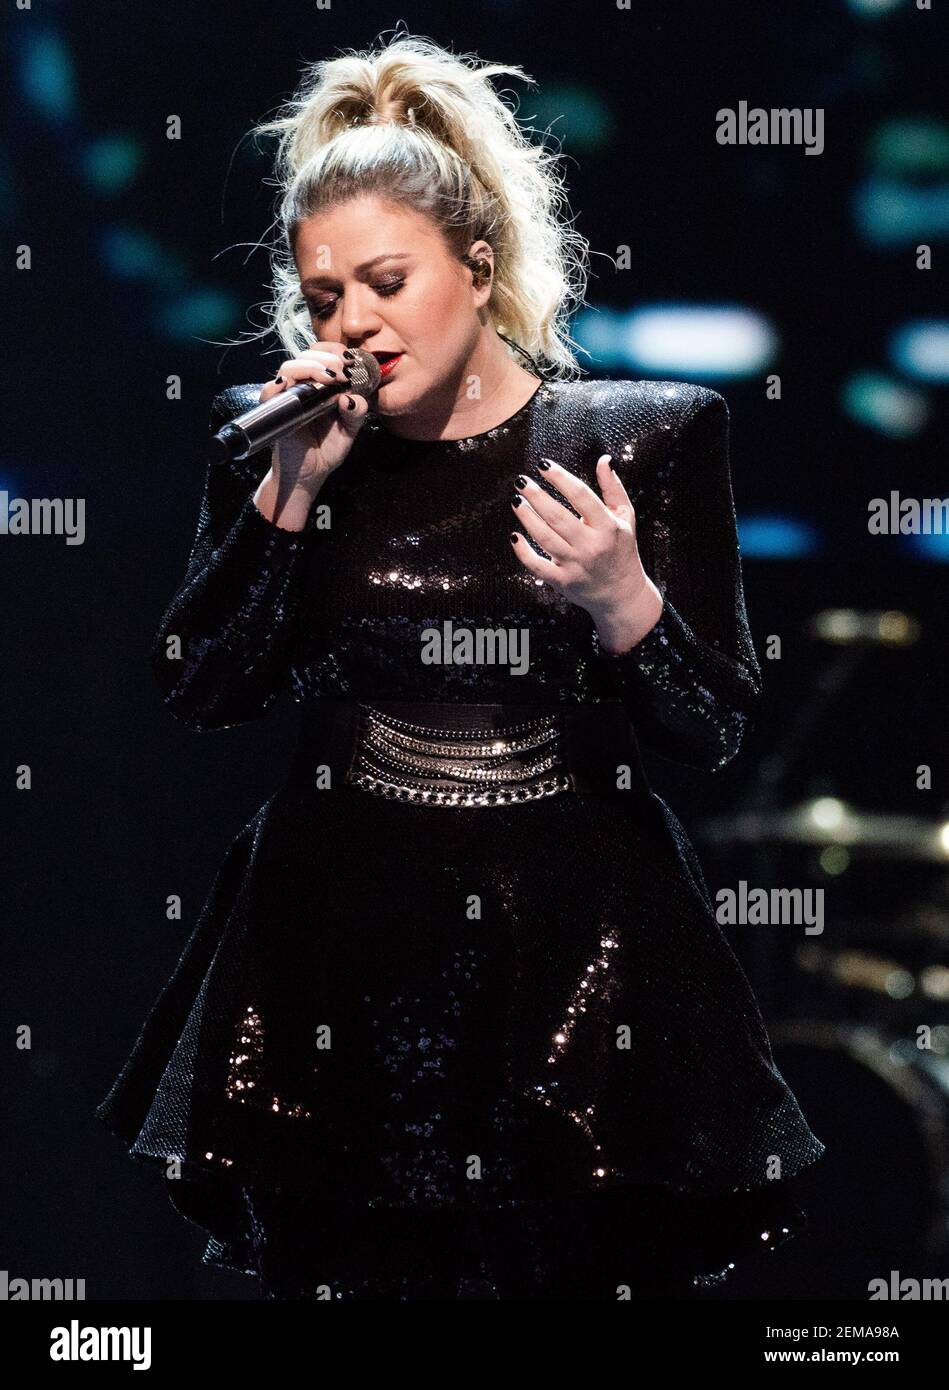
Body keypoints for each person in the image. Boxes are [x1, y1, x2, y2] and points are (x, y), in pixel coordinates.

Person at [96, 33, 825, 1301]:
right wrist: (286, 500)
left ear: (476, 267)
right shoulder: (282, 451)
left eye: (386, 280)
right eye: (324, 296)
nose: (355, 323)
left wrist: (625, 602)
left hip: (579, 942)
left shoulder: (639, 438)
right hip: (336, 941)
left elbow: (715, 733)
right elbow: (199, 689)